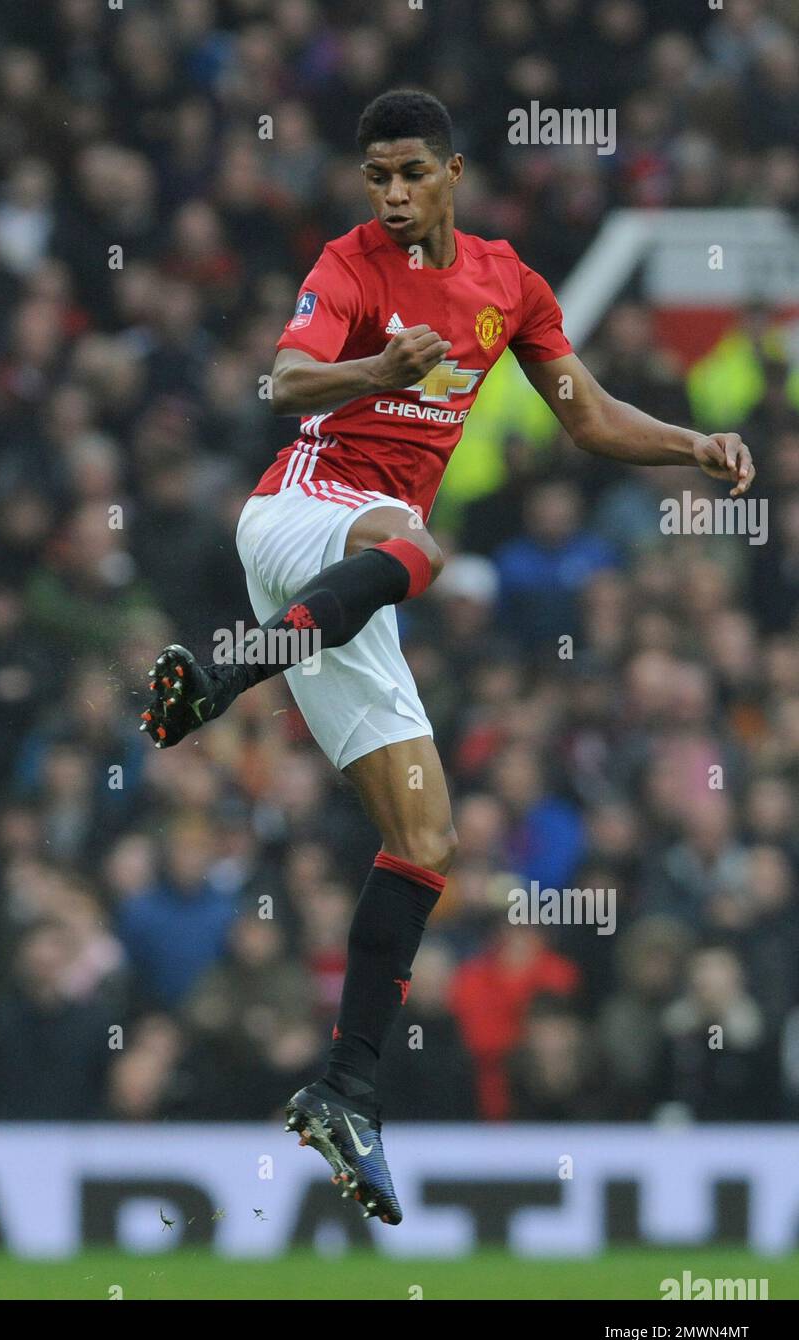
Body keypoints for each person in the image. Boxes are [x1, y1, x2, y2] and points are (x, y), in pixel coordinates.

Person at [139, 89, 755, 1225]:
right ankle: (225, 673)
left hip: (349, 587)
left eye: (409, 173)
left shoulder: (506, 282)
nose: (390, 194)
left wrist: (689, 442)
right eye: (375, 175)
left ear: (453, 172)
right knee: (421, 542)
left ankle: (344, 1087)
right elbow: (279, 383)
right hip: (302, 510)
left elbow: (584, 413)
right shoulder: (350, 266)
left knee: (424, 833)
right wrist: (377, 372)